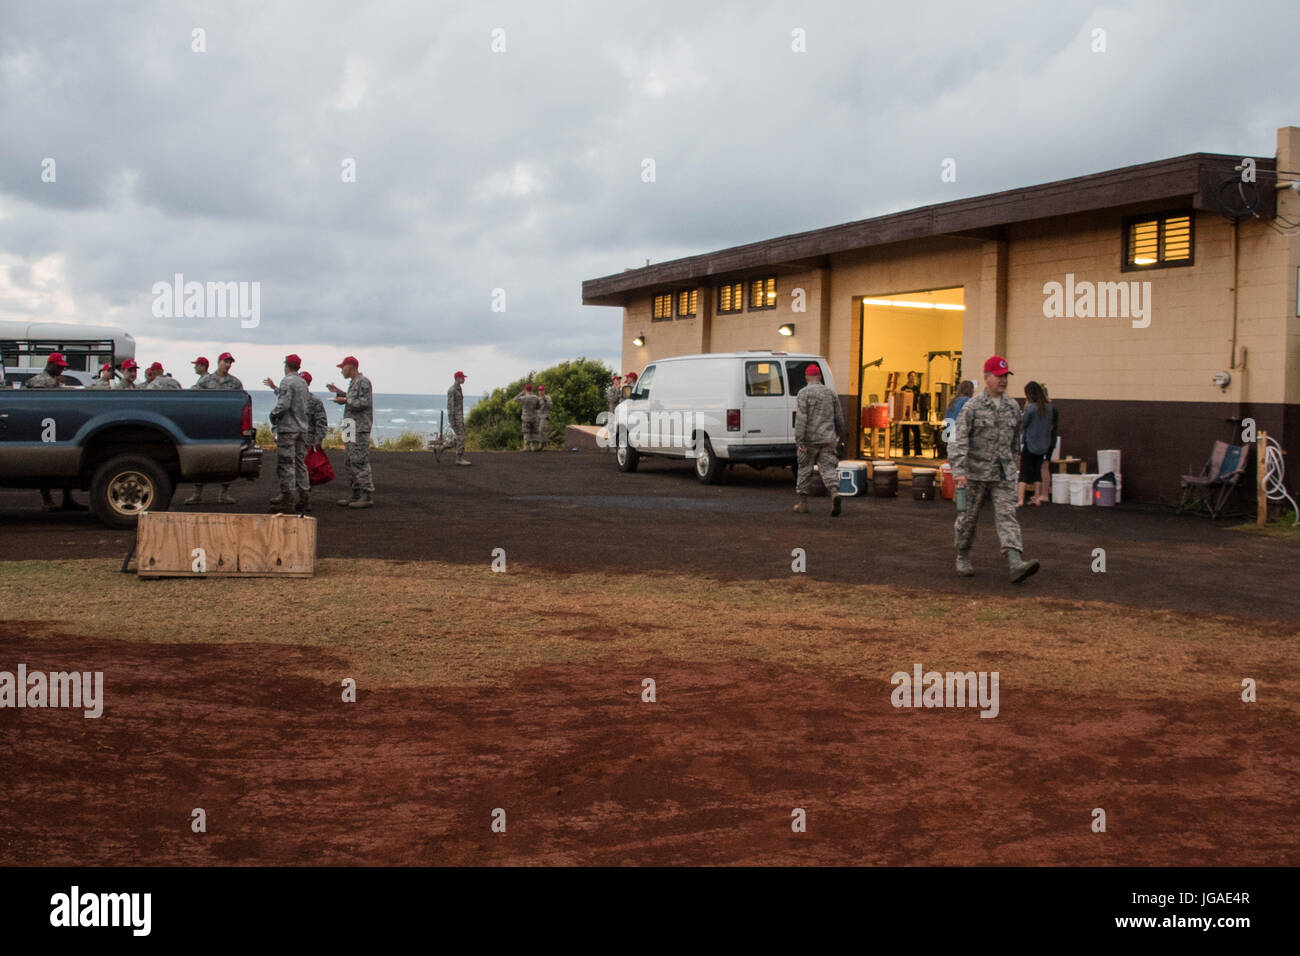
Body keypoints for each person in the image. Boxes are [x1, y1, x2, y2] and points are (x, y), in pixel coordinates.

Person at [950, 356, 1039, 583]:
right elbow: (959, 440)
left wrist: (1013, 465)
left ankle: (1015, 562)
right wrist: (959, 471)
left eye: (1005, 376)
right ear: (986, 377)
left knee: (1007, 516)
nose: (1003, 381)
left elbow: (1013, 442)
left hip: (1003, 474)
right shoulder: (973, 407)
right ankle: (962, 555)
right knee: (967, 519)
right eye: (998, 376)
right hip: (975, 473)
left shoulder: (1012, 407)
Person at [23, 354, 87, 512]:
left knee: (57, 465)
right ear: (50, 365)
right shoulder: (44, 380)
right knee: (46, 464)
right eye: (59, 366)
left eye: (63, 367)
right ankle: (48, 500)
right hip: (43, 425)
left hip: (48, 424)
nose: (61, 369)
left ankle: (62, 500)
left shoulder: (45, 380)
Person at [184, 353, 244, 505]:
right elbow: (193, 396)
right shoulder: (206, 380)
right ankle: (197, 493)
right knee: (202, 457)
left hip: (226, 425)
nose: (228, 364)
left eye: (230, 362)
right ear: (219, 362)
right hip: (208, 424)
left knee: (228, 459)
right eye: (226, 361)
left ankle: (224, 493)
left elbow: (240, 403)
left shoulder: (235, 383)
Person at [793, 364, 847, 517]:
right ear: (820, 377)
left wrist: (800, 441)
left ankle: (803, 503)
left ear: (807, 377)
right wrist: (841, 435)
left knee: (804, 469)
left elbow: (801, 419)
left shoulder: (803, 393)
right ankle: (834, 493)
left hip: (809, 441)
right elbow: (839, 418)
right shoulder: (830, 393)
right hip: (828, 439)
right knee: (828, 468)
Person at [327, 356, 374, 508]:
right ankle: (356, 494)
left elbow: (364, 402)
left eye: (343, 367)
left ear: (351, 367)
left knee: (359, 460)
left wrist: (345, 400)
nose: (341, 370)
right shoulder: (354, 383)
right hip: (350, 425)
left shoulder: (363, 381)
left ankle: (366, 495)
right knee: (349, 460)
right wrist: (340, 393)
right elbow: (354, 398)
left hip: (358, 427)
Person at [267, 353, 311, 512]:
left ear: (286, 366)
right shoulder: (303, 383)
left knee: (286, 464)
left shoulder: (287, 381)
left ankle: (288, 498)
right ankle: (304, 496)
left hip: (288, 429)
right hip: (302, 428)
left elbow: (284, 404)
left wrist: (273, 415)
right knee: (300, 463)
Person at [1018, 381, 1053, 507]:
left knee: (1024, 470)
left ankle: (1020, 499)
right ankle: (1037, 498)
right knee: (1037, 470)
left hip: (1030, 443)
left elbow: (1023, 423)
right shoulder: (1049, 408)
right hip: (1044, 444)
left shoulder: (1031, 407)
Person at [939, 380, 975, 458]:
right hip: (961, 436)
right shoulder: (967, 401)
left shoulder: (952, 401)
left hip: (950, 435)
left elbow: (947, 419)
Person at [1039, 383, 1058, 497]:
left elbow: (1050, 427)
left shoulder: (1050, 409)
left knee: (1044, 466)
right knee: (1042, 466)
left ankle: (1044, 494)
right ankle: (1041, 493)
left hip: (1046, 441)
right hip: (1046, 441)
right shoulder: (1047, 408)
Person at [448, 371, 471, 465]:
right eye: (462, 377)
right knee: (461, 437)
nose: (464, 379)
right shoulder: (452, 390)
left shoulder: (459, 389)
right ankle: (459, 459)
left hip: (459, 417)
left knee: (459, 437)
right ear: (457, 378)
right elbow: (450, 406)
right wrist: (451, 420)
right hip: (456, 418)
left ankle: (440, 448)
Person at [899, 371, 923, 457]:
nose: (913, 378)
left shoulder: (916, 389)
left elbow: (919, 400)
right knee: (905, 432)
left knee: (916, 431)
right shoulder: (903, 388)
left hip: (914, 412)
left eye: (914, 376)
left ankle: (918, 451)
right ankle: (906, 452)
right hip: (905, 412)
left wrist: (919, 411)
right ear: (908, 377)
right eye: (911, 376)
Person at [515, 383, 541, 452]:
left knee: (526, 432)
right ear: (531, 389)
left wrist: (521, 393)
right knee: (535, 432)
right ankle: (536, 447)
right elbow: (538, 407)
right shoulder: (536, 397)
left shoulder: (524, 398)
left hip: (526, 417)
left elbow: (515, 399)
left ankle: (527, 447)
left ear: (525, 390)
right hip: (534, 417)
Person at [536, 384, 553, 451]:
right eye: (539, 390)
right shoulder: (537, 399)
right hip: (538, 417)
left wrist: (545, 400)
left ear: (544, 391)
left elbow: (550, 406)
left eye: (541, 390)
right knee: (539, 431)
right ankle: (542, 445)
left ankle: (545, 445)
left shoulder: (548, 397)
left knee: (541, 430)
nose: (540, 391)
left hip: (544, 416)